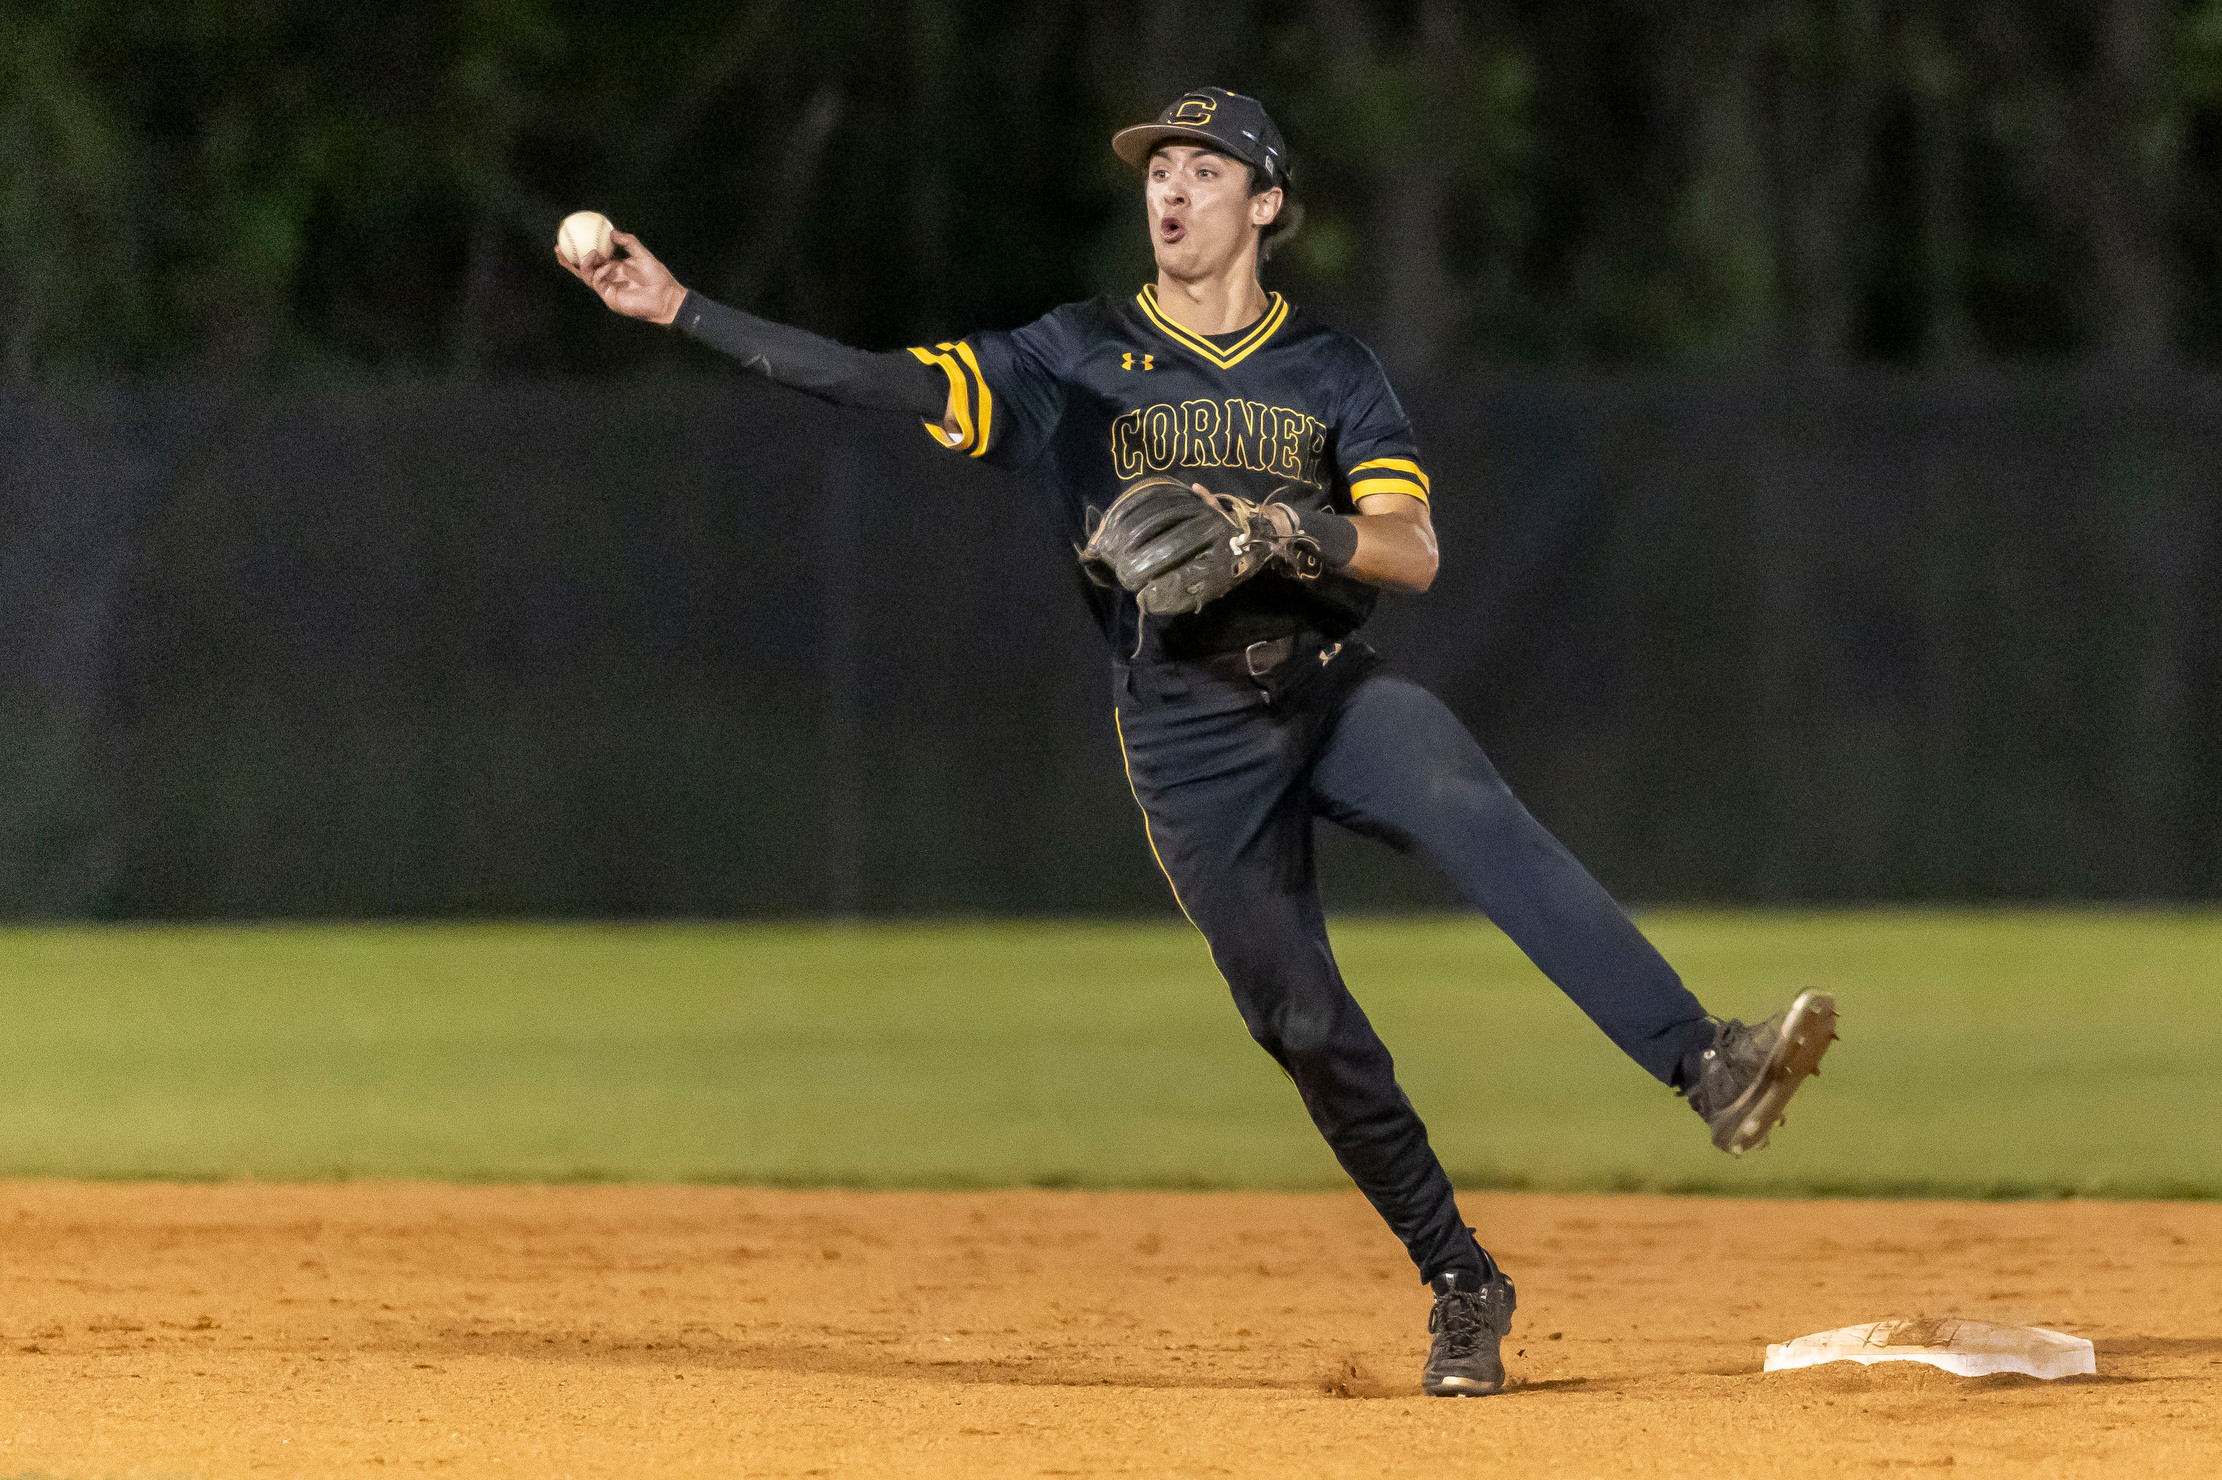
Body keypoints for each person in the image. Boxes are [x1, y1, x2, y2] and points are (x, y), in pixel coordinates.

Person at [561, 86, 1837, 1398]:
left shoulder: (1331, 373)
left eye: (1204, 169)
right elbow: (880, 384)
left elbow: (1412, 550)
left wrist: (1287, 529)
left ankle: (1704, 1062)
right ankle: (1461, 1282)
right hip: (1183, 725)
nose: (1171, 189)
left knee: (1468, 799)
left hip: (1329, 687)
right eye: (1158, 169)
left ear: (1264, 203)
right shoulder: (1071, 358)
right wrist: (682, 311)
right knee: (1305, 1023)